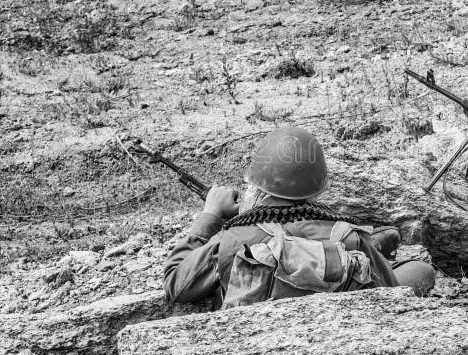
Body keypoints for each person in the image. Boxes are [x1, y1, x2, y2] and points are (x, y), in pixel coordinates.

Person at [164, 126, 435, 307]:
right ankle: (375, 247)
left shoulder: (232, 240)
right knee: (420, 270)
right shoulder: (348, 236)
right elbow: (390, 296)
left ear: (255, 187)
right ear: (317, 188)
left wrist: (210, 216)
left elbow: (175, 285)